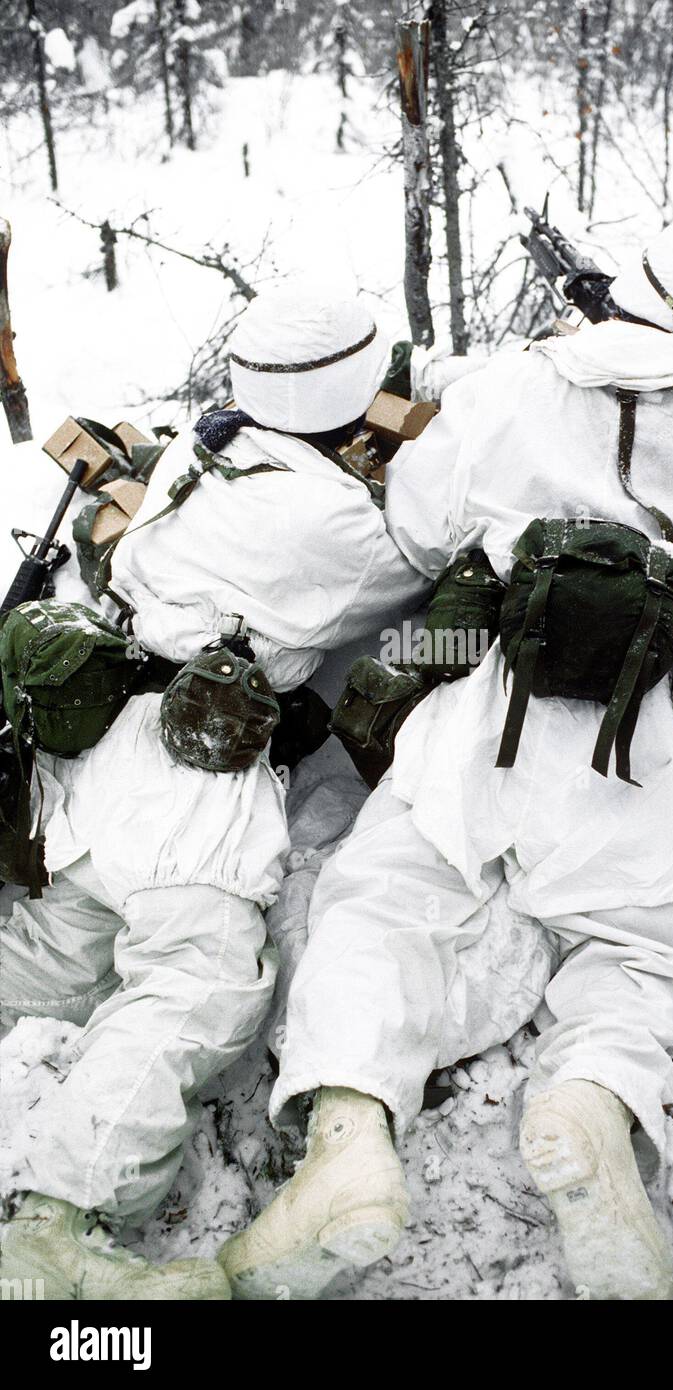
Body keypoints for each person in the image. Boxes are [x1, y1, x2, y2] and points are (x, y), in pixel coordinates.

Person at [219, 219, 673, 1301]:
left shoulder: (513, 379)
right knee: (637, 951)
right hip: (646, 727)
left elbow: (424, 521)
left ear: (635, 287)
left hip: (492, 706)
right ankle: (585, 1103)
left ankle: (347, 1129)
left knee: (381, 898)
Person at [0, 288, 429, 1299]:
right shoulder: (331, 521)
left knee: (64, 954)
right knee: (201, 984)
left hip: (94, 748)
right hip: (186, 786)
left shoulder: (203, 443)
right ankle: (61, 1222)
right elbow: (417, 577)